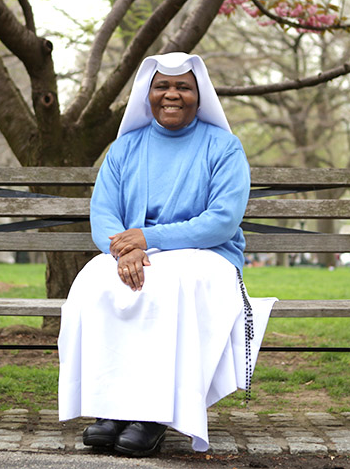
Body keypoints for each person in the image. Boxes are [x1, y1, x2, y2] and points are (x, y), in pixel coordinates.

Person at [57, 52, 277, 457]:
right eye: (162, 86)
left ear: (199, 95)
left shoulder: (224, 147)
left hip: (206, 257)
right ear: (148, 93)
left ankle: (153, 416)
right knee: (95, 278)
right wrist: (124, 249)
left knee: (165, 285)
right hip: (135, 253)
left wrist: (145, 239)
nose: (171, 94)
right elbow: (103, 215)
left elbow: (221, 222)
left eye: (183, 87)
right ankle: (110, 408)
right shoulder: (124, 149)